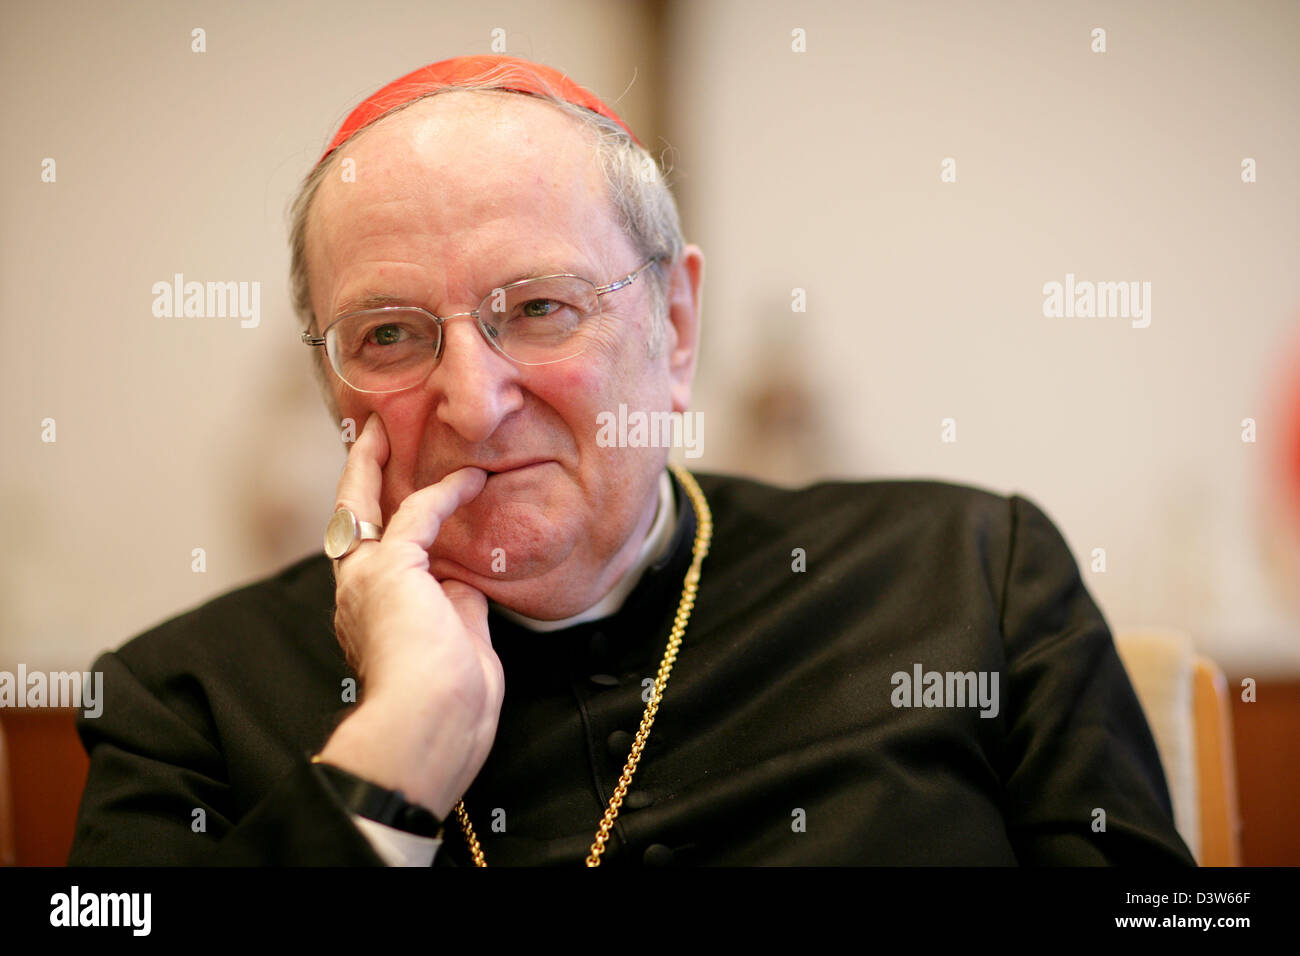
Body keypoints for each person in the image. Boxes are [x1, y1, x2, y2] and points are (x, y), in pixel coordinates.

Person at [68, 55, 1195, 867]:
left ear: (676, 323)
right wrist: (394, 756)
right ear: (332, 387)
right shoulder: (183, 705)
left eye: (542, 307)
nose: (471, 397)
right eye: (391, 335)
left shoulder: (969, 575)